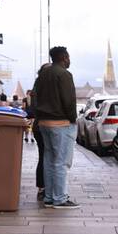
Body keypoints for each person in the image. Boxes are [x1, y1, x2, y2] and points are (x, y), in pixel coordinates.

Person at [31, 46, 80, 210]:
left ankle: (49, 197)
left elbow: (34, 96)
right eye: (68, 57)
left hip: (43, 122)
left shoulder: (43, 74)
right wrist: (73, 119)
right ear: (64, 57)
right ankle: (59, 198)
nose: (69, 60)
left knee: (49, 160)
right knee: (61, 162)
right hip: (61, 123)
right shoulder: (64, 74)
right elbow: (69, 100)